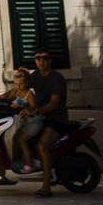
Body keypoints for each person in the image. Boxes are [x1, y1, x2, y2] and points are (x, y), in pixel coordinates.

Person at [26, 50, 70, 197]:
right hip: (40, 118)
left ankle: (46, 186)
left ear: (50, 60)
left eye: (44, 58)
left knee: (42, 146)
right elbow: (21, 90)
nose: (41, 61)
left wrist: (36, 112)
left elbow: (54, 103)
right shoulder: (34, 76)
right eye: (38, 58)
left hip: (56, 119)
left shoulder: (57, 78)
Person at [0, 69, 39, 170]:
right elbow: (2, 98)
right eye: (16, 83)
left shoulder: (29, 94)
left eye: (20, 84)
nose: (18, 86)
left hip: (34, 122)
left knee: (21, 140)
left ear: (26, 82)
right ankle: (16, 163)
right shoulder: (15, 91)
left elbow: (34, 107)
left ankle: (29, 165)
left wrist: (26, 108)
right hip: (24, 122)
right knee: (15, 139)